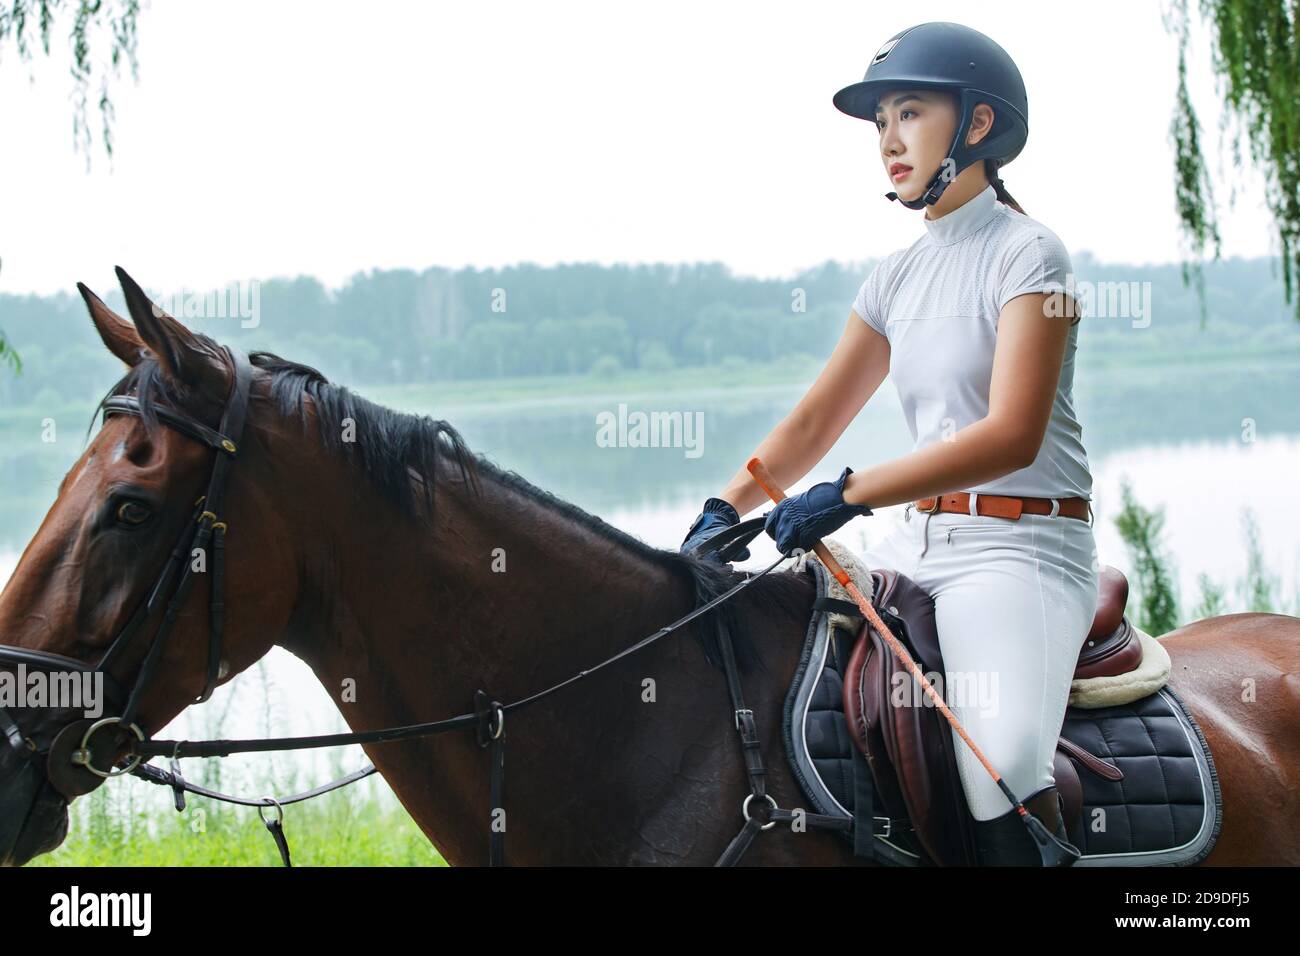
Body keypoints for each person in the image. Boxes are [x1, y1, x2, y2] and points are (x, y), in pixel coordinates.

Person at [681, 22, 1100, 866]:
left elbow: (1010, 434)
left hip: (1019, 551)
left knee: (1004, 767)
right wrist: (728, 505)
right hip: (918, 544)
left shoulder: (1031, 255)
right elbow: (811, 424)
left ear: (977, 126)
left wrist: (848, 492)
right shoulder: (896, 276)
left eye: (909, 113)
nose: (889, 142)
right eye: (879, 124)